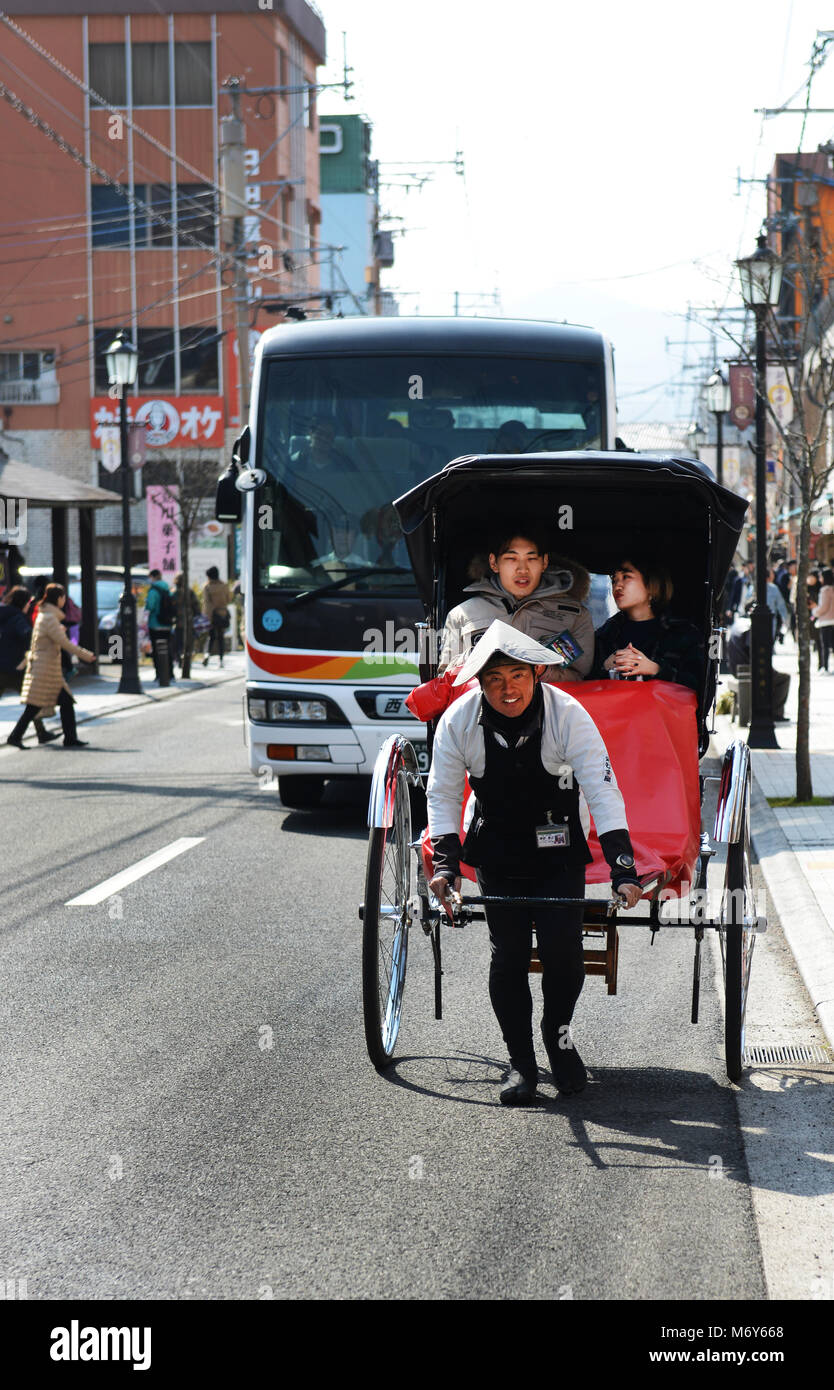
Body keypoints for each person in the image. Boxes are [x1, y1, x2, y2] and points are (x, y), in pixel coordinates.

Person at [427, 621, 642, 1105]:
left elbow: (602, 790)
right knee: (509, 953)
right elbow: (441, 796)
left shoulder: (569, 716)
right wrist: (444, 866)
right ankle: (520, 1064)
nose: (508, 689)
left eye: (518, 676)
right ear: (480, 683)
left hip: (558, 842)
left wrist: (623, 870)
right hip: (497, 844)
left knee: (563, 950)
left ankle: (557, 1038)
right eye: (496, 679)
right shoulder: (458, 721)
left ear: (538, 674)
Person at [438, 527, 593, 682]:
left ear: (544, 562)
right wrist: (480, 657)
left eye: (531, 559)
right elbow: (446, 679)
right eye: (511, 559)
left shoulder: (575, 615)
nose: (522, 569)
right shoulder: (462, 615)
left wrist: (543, 670)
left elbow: (580, 678)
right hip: (481, 705)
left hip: (549, 705)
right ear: (494, 563)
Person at [591, 556, 704, 694]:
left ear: (651, 585)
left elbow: (698, 687)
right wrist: (605, 666)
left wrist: (656, 670)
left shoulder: (683, 633)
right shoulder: (606, 633)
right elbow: (583, 683)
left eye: (626, 577)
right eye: (614, 580)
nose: (617, 585)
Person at [6, 582, 95, 749]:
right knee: (34, 707)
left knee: (63, 702)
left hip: (47, 670)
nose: (64, 601)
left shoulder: (45, 616)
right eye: (63, 597)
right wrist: (86, 655)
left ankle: (69, 737)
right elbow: (65, 643)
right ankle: (16, 736)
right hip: (45, 670)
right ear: (59, 599)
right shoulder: (49, 618)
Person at [0, 587, 58, 744]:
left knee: (33, 703)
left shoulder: (3, 614)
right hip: (15, 667)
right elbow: (27, 634)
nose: (29, 606)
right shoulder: (18, 617)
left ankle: (40, 733)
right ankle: (29, 734)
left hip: (1, 666)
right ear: (23, 602)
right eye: (28, 602)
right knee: (33, 702)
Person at [144, 569, 175, 684]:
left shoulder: (153, 590)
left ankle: (159, 674)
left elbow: (150, 606)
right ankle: (170, 674)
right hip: (167, 624)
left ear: (153, 577)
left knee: (157, 650)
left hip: (155, 623)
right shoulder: (168, 589)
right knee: (167, 649)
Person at [201, 566, 231, 668]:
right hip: (222, 614)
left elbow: (206, 603)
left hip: (212, 615)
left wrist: (206, 617)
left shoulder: (207, 587)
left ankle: (207, 655)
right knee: (221, 637)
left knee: (211, 637)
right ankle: (221, 660)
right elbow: (228, 599)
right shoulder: (224, 586)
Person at [171, 572, 200, 670]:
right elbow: (196, 606)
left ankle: (179, 660)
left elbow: (170, 606)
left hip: (177, 622)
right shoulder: (190, 592)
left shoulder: (174, 592)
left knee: (177, 643)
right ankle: (185, 660)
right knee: (187, 643)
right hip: (188, 621)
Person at [812, 567, 834, 672]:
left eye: (821, 576)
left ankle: (825, 667)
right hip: (831, 619)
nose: (820, 578)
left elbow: (824, 607)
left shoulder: (825, 590)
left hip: (826, 620)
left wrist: (815, 611)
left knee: (824, 645)